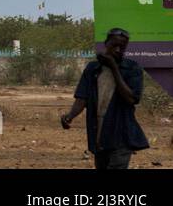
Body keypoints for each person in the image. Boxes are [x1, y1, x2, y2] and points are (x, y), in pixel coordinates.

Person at [61, 28, 149, 169]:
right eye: (114, 45)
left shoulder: (132, 68)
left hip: (121, 133)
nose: (118, 50)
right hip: (99, 132)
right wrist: (70, 115)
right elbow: (82, 97)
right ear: (106, 44)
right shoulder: (93, 69)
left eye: (122, 47)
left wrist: (114, 67)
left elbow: (131, 99)